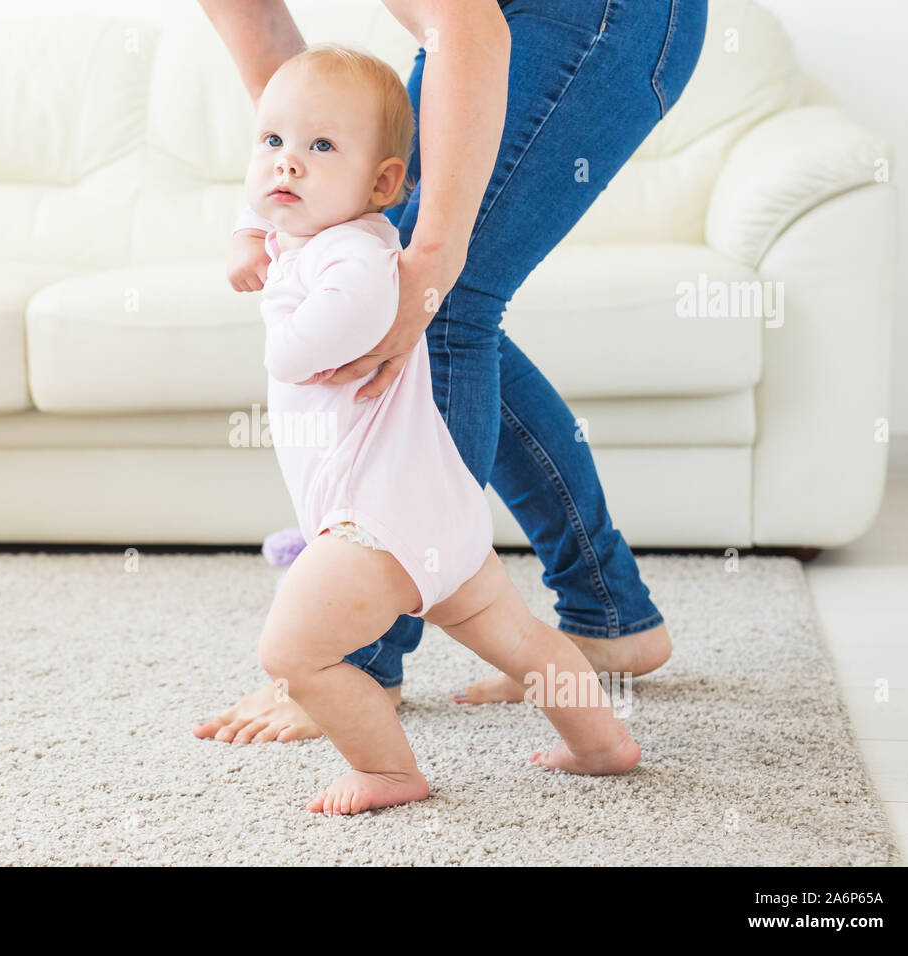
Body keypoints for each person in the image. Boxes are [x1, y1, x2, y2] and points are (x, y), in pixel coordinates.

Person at [194, 0, 707, 745]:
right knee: (430, 308)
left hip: (597, 15)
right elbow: (282, 63)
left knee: (436, 303)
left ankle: (358, 657)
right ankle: (609, 612)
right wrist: (288, 202)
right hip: (488, 19)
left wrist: (428, 269)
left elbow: (467, 25)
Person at [236, 44, 641, 814]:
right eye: (272, 144)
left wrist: (279, 313)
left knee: (290, 652)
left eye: (320, 147)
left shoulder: (352, 255)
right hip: (431, 506)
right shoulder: (316, 240)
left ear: (384, 183)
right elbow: (268, 195)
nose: (287, 165)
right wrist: (247, 234)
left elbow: (307, 345)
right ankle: (602, 742)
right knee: (518, 637)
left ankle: (388, 771)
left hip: (377, 523)